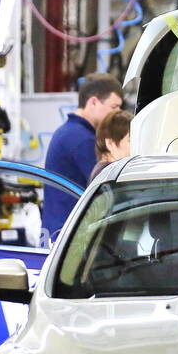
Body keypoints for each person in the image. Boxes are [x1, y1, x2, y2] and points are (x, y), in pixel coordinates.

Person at [41, 73, 123, 239]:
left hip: (58, 233)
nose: (117, 113)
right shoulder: (82, 140)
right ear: (93, 102)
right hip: (69, 238)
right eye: (114, 107)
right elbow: (105, 190)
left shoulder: (68, 132)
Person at [89, 109, 132, 183]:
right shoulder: (108, 177)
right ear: (110, 144)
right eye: (130, 140)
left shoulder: (105, 173)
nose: (135, 145)